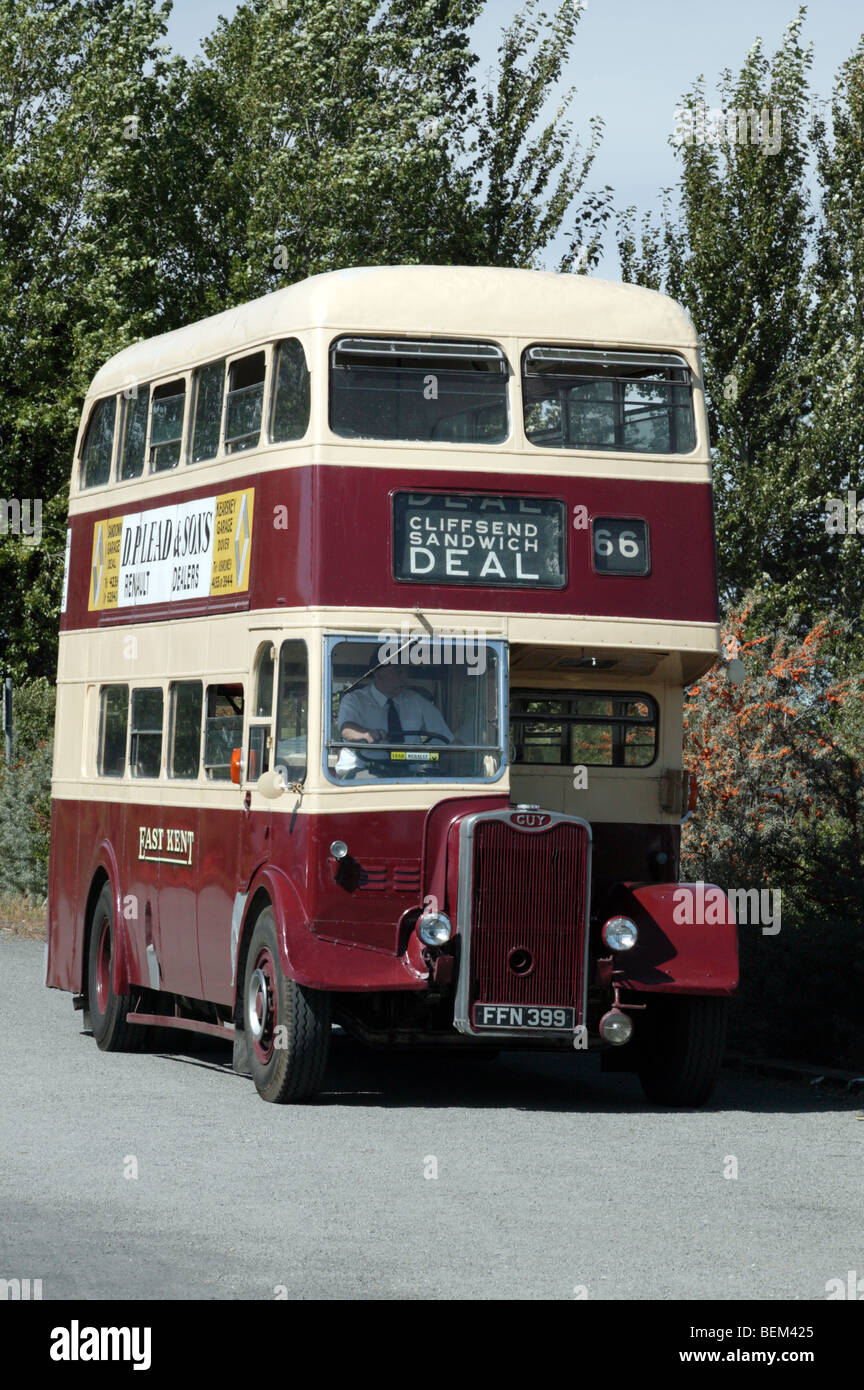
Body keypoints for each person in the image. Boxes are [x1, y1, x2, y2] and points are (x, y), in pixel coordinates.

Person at [335, 663, 453, 775]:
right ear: (378, 673)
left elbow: (444, 737)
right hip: (361, 769)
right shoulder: (355, 700)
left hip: (408, 772)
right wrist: (366, 734)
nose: (404, 677)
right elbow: (346, 730)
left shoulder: (416, 701)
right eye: (398, 671)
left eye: (406, 672)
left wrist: (427, 755)